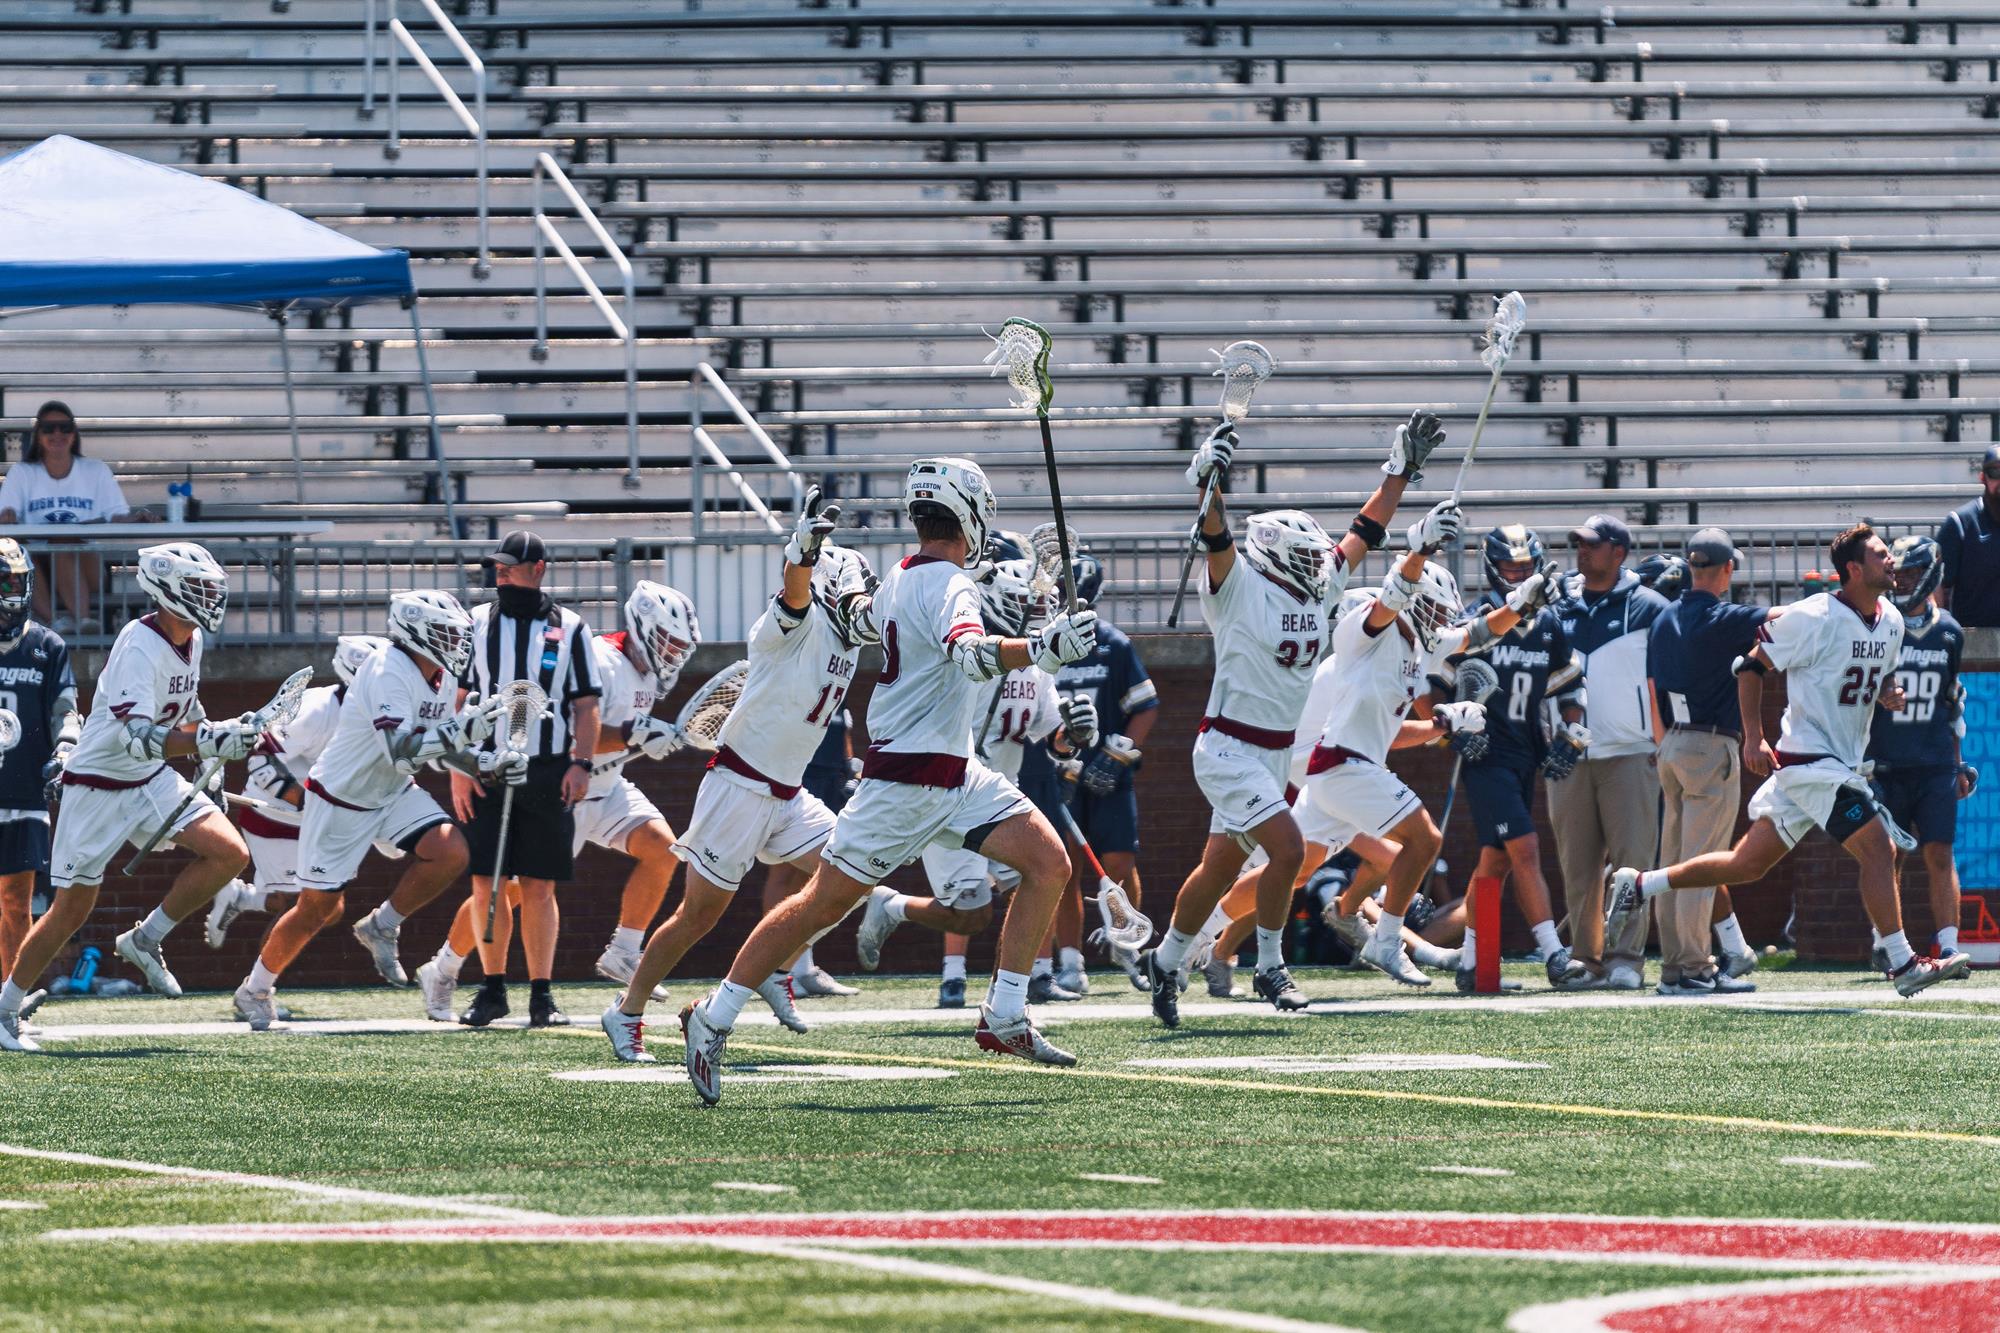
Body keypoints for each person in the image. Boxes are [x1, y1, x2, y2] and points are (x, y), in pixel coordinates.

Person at [675, 458, 1099, 1101]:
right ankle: (714, 1017)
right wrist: (1042, 648)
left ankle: (1004, 1014)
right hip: (909, 782)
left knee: (1048, 862)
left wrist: (813, 570)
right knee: (823, 903)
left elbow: (863, 621)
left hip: (954, 770)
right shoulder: (951, 585)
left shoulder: (904, 574)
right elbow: (971, 655)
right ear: (971, 514)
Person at [1138, 409, 1446, 1020]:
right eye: (1305, 560)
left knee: (1218, 866)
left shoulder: (1318, 584)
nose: (1320, 567)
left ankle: (1165, 960)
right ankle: (1271, 968)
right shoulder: (1238, 587)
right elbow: (1218, 538)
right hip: (1228, 746)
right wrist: (1209, 482)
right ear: (1274, 558)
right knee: (1287, 851)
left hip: (1272, 751)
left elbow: (1365, 530)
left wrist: (1400, 472)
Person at [1606, 524, 1969, 998]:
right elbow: (1751, 668)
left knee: (1745, 865)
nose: (1892, 562)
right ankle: (1902, 963)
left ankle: (1639, 884)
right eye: (1881, 555)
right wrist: (1754, 738)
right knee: (1881, 849)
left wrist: (1887, 693)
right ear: (1854, 569)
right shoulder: (1814, 615)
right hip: (1809, 759)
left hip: (1837, 761)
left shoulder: (1893, 621)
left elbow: (1872, 676)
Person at [599, 494, 876, 1063]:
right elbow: (795, 590)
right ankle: (625, 1011)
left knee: (850, 880)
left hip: (787, 793)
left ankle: (772, 966)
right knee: (698, 915)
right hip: (739, 787)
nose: (865, 603)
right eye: (855, 591)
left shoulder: (847, 641)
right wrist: (803, 549)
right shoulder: (796, 622)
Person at [1287, 516, 1557, 1001]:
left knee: (1290, 870)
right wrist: (1421, 551)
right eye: (1432, 607)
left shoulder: (1420, 646)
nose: (1440, 619)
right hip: (1341, 762)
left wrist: (1520, 604)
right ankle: (1387, 942)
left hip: (1347, 768)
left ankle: (1186, 945)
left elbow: (1477, 634)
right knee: (1422, 839)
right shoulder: (1364, 635)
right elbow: (1394, 595)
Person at [0, 543, 254, 1051]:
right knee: (71, 910)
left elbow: (186, 707)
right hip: (98, 785)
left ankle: (145, 938)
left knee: (230, 853)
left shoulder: (192, 637)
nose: (210, 598)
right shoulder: (139, 643)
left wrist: (212, 750)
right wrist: (206, 740)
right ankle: (5, 1009)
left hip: (149, 778)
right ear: (168, 590)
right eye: (200, 587)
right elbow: (139, 735)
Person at [416, 582, 700, 1022]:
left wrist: (644, 736)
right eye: (670, 640)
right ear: (643, 626)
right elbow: (574, 730)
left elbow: (623, 737)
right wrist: (637, 733)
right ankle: (444, 966)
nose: (675, 651)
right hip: (571, 786)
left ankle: (624, 950)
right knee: (507, 893)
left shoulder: (643, 670)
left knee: (664, 849)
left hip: (609, 786)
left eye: (682, 644)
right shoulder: (603, 660)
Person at [852, 557, 1096, 1007]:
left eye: (1041, 602)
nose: (1039, 611)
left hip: (997, 794)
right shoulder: (966, 654)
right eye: (1028, 602)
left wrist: (1074, 735)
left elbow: (1049, 738)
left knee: (1039, 872)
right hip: (951, 787)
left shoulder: (1037, 668)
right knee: (970, 913)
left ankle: (1026, 984)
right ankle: (894, 908)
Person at [230, 595, 483, 1029]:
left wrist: (485, 762)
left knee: (451, 851)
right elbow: (402, 750)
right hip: (342, 798)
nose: (456, 640)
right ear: (416, 631)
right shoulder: (388, 669)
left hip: (392, 789)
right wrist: (462, 732)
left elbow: (439, 747)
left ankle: (382, 926)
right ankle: (254, 989)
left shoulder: (441, 675)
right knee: (316, 909)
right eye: (446, 631)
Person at [451, 530, 603, 1029]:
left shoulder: (572, 628)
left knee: (539, 885)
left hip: (547, 769)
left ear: (537, 569)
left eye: (509, 567)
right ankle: (492, 990)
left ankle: (542, 993)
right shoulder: (475, 623)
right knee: (486, 884)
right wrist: (459, 767)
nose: (500, 575)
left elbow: (585, 705)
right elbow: (459, 700)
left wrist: (581, 764)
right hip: (486, 768)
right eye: (496, 568)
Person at [1439, 524, 1589, 991]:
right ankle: (1554, 955)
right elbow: (1433, 687)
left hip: (1527, 753)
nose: (1519, 575)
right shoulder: (1478, 621)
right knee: (1524, 849)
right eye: (1511, 567)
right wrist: (1452, 733)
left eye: (1526, 568)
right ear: (1492, 568)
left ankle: (1469, 961)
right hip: (1486, 754)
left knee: (1495, 861)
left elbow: (1570, 685)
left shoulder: (1548, 624)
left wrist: (1574, 728)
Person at [1548, 514, 1670, 988]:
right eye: (1577, 543)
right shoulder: (1558, 605)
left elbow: (1668, 680)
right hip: (1568, 753)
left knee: (1631, 864)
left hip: (1632, 751)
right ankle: (1586, 957)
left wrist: (1662, 741)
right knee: (1577, 865)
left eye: (1592, 545)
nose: (1581, 551)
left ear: (1618, 552)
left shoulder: (1652, 608)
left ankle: (1626, 958)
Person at [1643, 528, 1767, 996]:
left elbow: (1651, 687)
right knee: (1700, 865)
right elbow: (1785, 616)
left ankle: (1675, 967)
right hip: (1710, 745)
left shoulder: (1664, 616)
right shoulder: (1724, 616)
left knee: (1672, 862)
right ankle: (1695, 966)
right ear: (1728, 569)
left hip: (1671, 744)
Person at [205, 634, 386, 949]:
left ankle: (243, 898)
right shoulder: (316, 709)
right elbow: (261, 761)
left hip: (318, 821)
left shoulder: (383, 715)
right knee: (302, 908)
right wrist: (304, 800)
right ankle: (257, 992)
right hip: (275, 815)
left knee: (330, 908)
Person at [1053, 551, 1158, 988]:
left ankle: (1127, 945)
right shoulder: (1046, 644)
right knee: (1063, 870)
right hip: (1059, 775)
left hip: (1107, 778)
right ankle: (1070, 961)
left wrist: (1115, 756)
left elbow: (1145, 707)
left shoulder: (1113, 644)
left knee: (1118, 863)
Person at [1867, 535, 1972, 968]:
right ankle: (1884, 942)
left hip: (1933, 762)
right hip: (1885, 762)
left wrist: (1959, 761)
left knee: (1939, 851)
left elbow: (1953, 703)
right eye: (1901, 572)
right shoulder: (1879, 622)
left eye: (1912, 572)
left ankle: (1948, 945)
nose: (1904, 580)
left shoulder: (1948, 631)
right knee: (1886, 855)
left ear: (1930, 573)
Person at [0, 541, 76, 992]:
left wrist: (66, 747)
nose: (14, 590)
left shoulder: (47, 645)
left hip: (26, 788)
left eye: (18, 580)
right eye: (5, 581)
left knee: (16, 900)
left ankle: (10, 998)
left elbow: (65, 709)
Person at [2, 402, 150, 634]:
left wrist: (136, 518)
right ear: (38, 435)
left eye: (64, 427)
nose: (57, 434)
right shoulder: (22, 473)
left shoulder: (95, 470)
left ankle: (82, 620)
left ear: (74, 434)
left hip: (87, 566)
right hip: (37, 570)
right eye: (49, 428)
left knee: (61, 541)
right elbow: (5, 520)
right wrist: (7, 517)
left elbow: (117, 516)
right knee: (18, 551)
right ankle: (56, 624)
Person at [783, 707, 859, 998]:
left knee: (826, 873)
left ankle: (802, 967)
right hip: (801, 778)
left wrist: (851, 768)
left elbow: (843, 737)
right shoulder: (799, 672)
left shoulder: (839, 681)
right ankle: (783, 970)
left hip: (831, 782)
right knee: (787, 876)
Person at [1936, 443, 2000, 629]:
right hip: (1972, 643)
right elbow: (1937, 584)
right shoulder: (1960, 523)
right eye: (1995, 473)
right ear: (1982, 477)